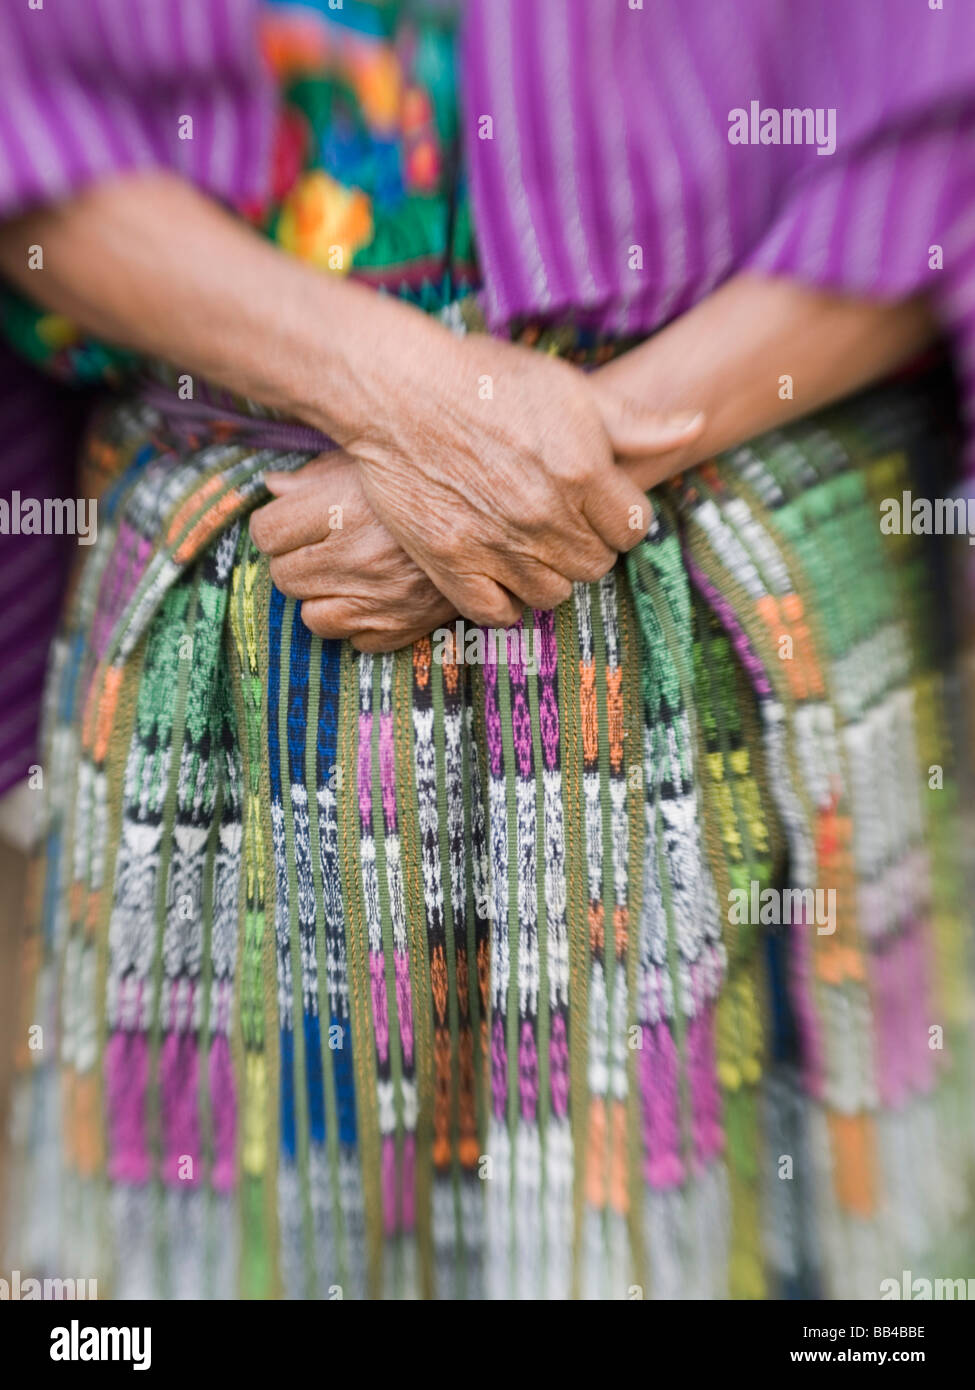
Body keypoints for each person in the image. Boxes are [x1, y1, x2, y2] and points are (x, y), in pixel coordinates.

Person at [1, 0, 973, 1299]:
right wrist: (399, 392)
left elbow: (943, 144)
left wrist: (535, 457)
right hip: (251, 644)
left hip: (734, 616)